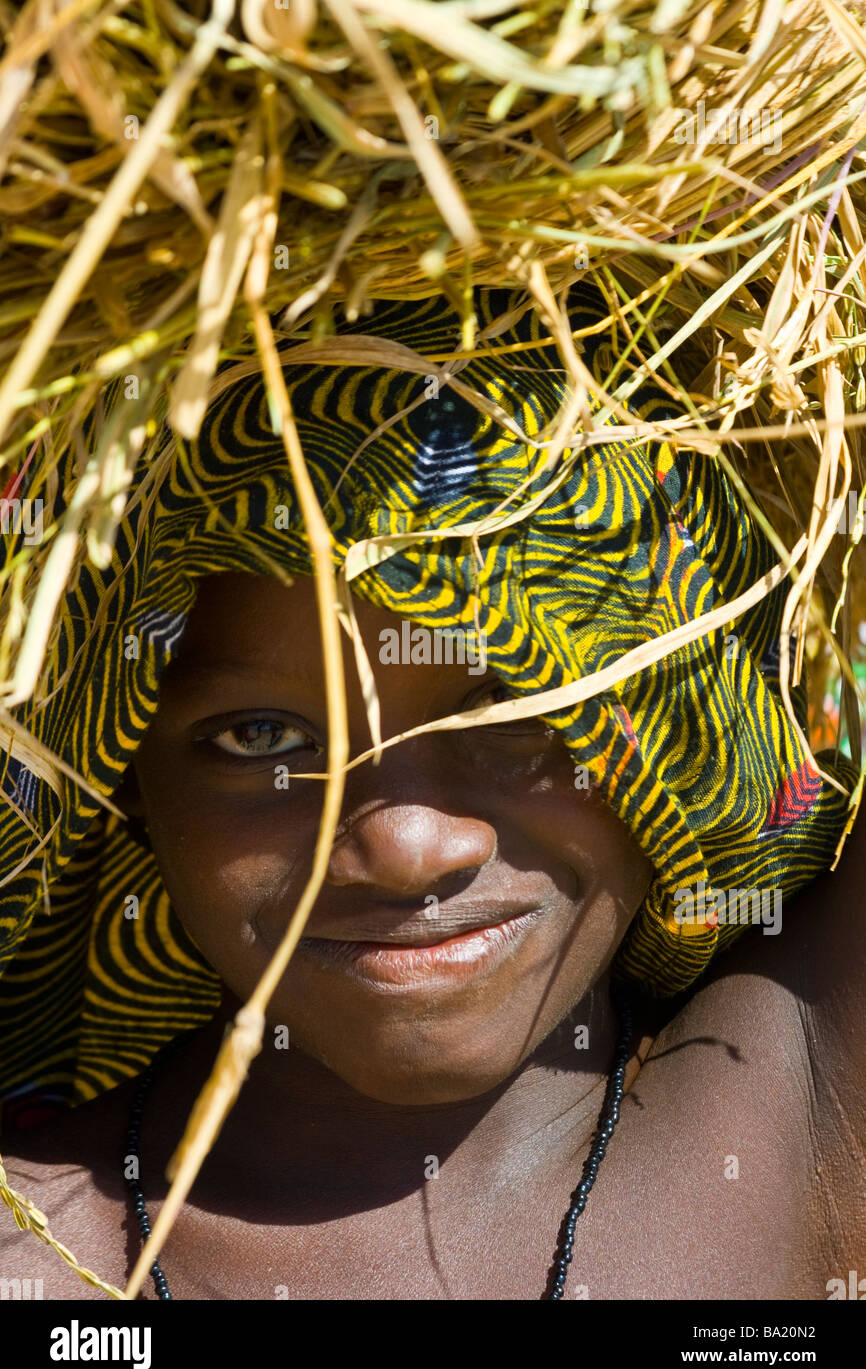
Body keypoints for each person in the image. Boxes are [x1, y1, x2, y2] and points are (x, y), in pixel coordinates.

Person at [0, 286, 863, 1300]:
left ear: (660, 730)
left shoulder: (804, 1084)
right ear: (125, 778)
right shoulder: (39, 1253)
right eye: (261, 736)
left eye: (512, 715)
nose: (408, 845)